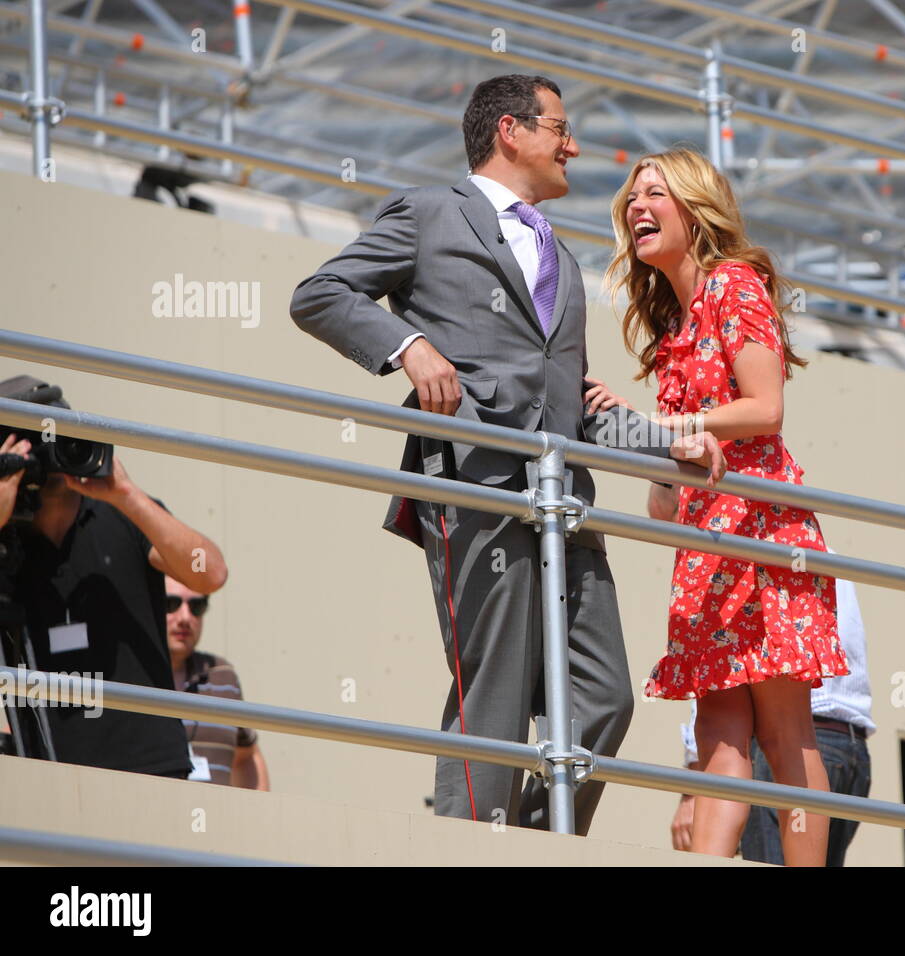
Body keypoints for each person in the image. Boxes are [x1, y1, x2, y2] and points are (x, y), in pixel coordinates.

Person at [290, 75, 725, 833]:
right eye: (561, 128)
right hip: (475, 484)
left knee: (606, 696)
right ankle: (475, 850)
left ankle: (526, 842)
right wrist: (409, 346)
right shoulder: (429, 212)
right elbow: (321, 293)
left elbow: (573, 408)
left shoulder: (561, 257)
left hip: (565, 499)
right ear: (511, 132)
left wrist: (665, 443)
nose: (574, 146)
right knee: (492, 691)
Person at [599, 147, 846, 865]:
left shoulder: (734, 285)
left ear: (694, 207)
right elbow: (667, 497)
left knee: (782, 728)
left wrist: (660, 430)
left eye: (654, 195)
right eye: (630, 199)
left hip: (761, 528)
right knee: (717, 725)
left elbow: (764, 409)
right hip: (707, 539)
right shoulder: (674, 328)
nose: (636, 208)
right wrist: (649, 449)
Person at [0, 385, 228, 778]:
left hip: (151, 768)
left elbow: (210, 573)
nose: (48, 455)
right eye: (33, 443)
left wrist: (127, 496)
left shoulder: (122, 514)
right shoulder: (6, 536)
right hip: (44, 773)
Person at [672, 570, 875, 866]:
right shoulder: (820, 555)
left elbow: (724, 683)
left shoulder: (727, 552)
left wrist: (692, 779)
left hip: (782, 743)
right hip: (848, 746)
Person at [166, 574, 270, 790]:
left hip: (218, 820)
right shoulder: (131, 676)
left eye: (197, 605)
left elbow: (247, 755)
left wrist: (257, 817)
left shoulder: (221, 674)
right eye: (171, 604)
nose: (185, 617)